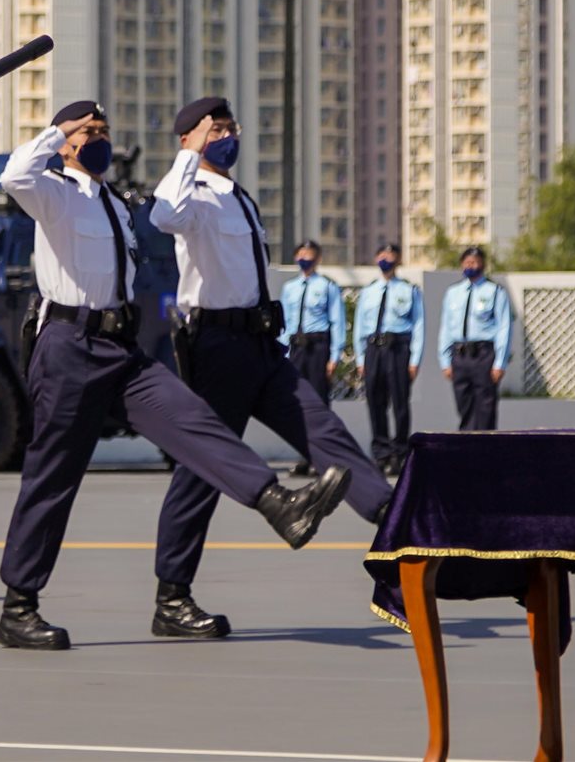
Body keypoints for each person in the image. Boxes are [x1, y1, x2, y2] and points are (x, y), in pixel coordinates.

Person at [0, 100, 349, 651]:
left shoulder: (113, 202)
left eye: (103, 130)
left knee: (194, 421)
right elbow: (14, 175)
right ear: (66, 143)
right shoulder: (53, 193)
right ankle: (19, 607)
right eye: (88, 131)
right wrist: (58, 132)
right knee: (52, 478)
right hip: (68, 346)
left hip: (118, 347)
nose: (99, 139)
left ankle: (275, 505)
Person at [149, 97, 392, 637]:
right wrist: (190, 154)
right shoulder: (190, 195)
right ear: (190, 139)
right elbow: (162, 215)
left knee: (323, 428)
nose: (227, 136)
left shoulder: (238, 196)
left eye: (230, 127)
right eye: (215, 130)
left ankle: (395, 520)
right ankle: (172, 598)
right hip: (215, 349)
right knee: (202, 471)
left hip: (260, 344)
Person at [354, 242, 425, 475]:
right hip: (373, 349)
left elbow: (419, 325)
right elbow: (359, 326)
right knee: (375, 401)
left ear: (398, 259)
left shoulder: (409, 290)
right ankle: (381, 452)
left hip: (398, 349)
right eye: (382, 254)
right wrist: (360, 358)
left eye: (391, 254)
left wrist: (414, 360)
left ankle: (400, 452)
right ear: (376, 258)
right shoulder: (369, 291)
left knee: (400, 402)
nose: (386, 258)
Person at [280, 240, 344, 472]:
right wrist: (283, 351)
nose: (305, 258)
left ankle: (322, 457)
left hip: (318, 346)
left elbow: (337, 321)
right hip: (296, 347)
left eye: (309, 254)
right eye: (301, 253)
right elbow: (285, 322)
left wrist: (334, 356)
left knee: (318, 402)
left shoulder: (327, 286)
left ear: (317, 259)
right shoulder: (290, 288)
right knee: (298, 403)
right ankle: (305, 455)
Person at [438, 246, 512, 431]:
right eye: (467, 262)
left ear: (483, 264)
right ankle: (466, 442)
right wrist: (445, 360)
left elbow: (504, 328)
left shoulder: (495, 291)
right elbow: (446, 328)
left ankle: (484, 443)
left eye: (475, 262)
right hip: (460, 354)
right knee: (463, 402)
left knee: (485, 404)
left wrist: (500, 363)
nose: (470, 265)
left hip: (483, 354)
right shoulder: (453, 293)